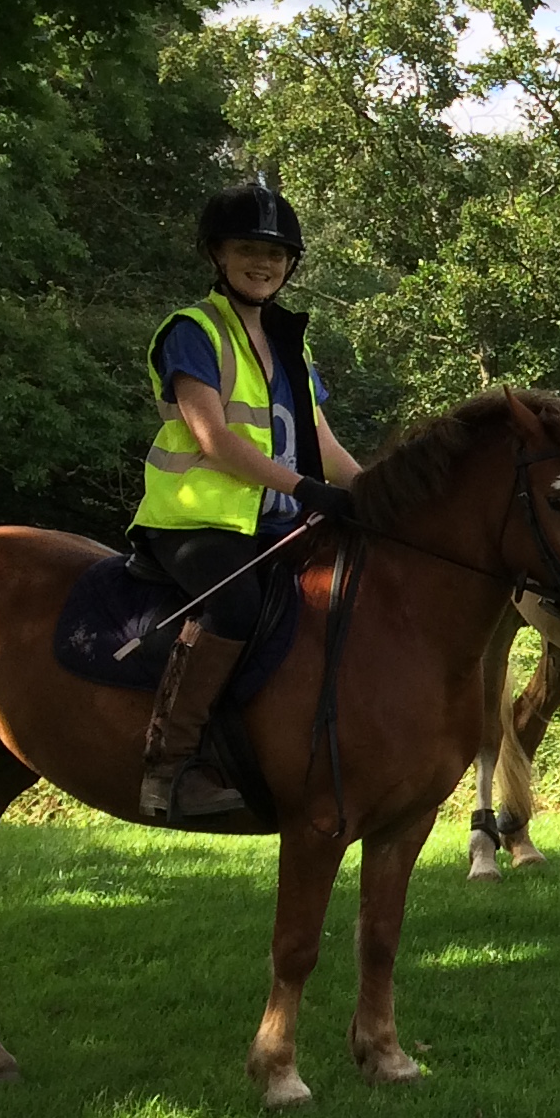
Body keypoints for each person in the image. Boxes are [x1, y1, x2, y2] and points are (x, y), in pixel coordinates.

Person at [129, 181, 365, 820]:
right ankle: (169, 766)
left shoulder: (293, 343)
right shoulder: (192, 330)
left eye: (277, 254)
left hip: (274, 521)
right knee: (233, 608)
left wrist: (371, 491)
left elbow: (319, 439)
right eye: (247, 250)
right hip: (196, 517)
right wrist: (304, 489)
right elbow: (210, 436)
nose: (263, 264)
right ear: (217, 255)